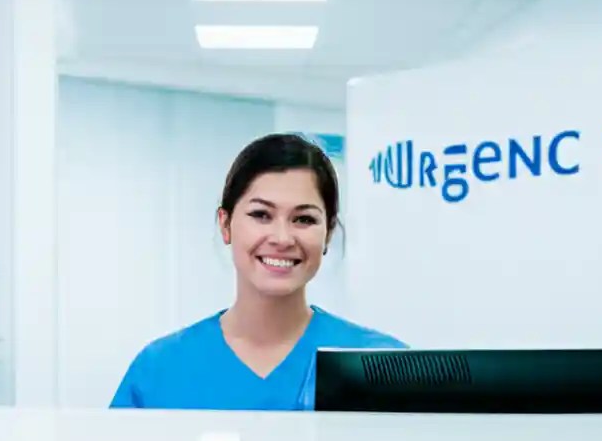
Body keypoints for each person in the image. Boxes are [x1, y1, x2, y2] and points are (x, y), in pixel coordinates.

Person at [110, 132, 406, 411]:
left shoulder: (385, 367)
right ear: (225, 225)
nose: (282, 238)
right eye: (261, 215)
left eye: (303, 219)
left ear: (328, 233)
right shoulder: (160, 371)